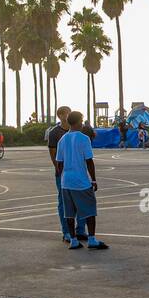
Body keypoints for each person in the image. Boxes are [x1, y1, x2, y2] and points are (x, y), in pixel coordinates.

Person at [57, 110, 106, 250]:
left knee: (69, 213)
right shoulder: (84, 138)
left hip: (66, 181)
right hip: (81, 181)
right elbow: (89, 161)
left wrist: (62, 178)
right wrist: (94, 180)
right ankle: (91, 239)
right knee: (90, 210)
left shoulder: (62, 140)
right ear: (78, 121)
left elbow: (59, 163)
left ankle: (73, 240)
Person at [47, 106, 75, 242]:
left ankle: (79, 230)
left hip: (76, 171)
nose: (67, 116)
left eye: (69, 113)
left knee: (78, 201)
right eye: (64, 114)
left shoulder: (76, 130)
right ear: (59, 116)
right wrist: (59, 169)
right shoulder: (55, 133)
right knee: (63, 202)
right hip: (63, 172)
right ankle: (66, 232)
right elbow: (53, 154)